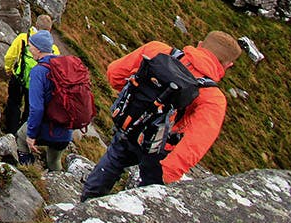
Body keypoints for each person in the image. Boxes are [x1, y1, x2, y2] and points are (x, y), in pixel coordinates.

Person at [80, 30, 241, 200]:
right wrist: (168, 175)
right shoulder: (212, 97)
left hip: (132, 123)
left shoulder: (157, 49)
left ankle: (86, 205)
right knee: (146, 197)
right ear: (227, 65)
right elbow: (195, 144)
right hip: (160, 148)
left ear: (200, 45)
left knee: (113, 161)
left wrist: (141, 101)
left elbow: (114, 74)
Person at [16, 30, 71, 170]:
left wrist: (31, 135)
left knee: (21, 138)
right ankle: (58, 183)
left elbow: (37, 108)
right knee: (54, 160)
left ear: (38, 49)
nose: (29, 49)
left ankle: (28, 172)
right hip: (65, 130)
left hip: (47, 127)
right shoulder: (65, 66)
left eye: (31, 46)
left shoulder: (39, 72)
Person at [1, 13, 57, 135]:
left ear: (36, 24)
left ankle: (10, 131)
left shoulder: (24, 38)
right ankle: (22, 133)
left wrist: (8, 68)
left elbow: (10, 56)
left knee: (14, 103)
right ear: (49, 29)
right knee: (29, 110)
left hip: (19, 77)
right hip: (36, 85)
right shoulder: (52, 49)